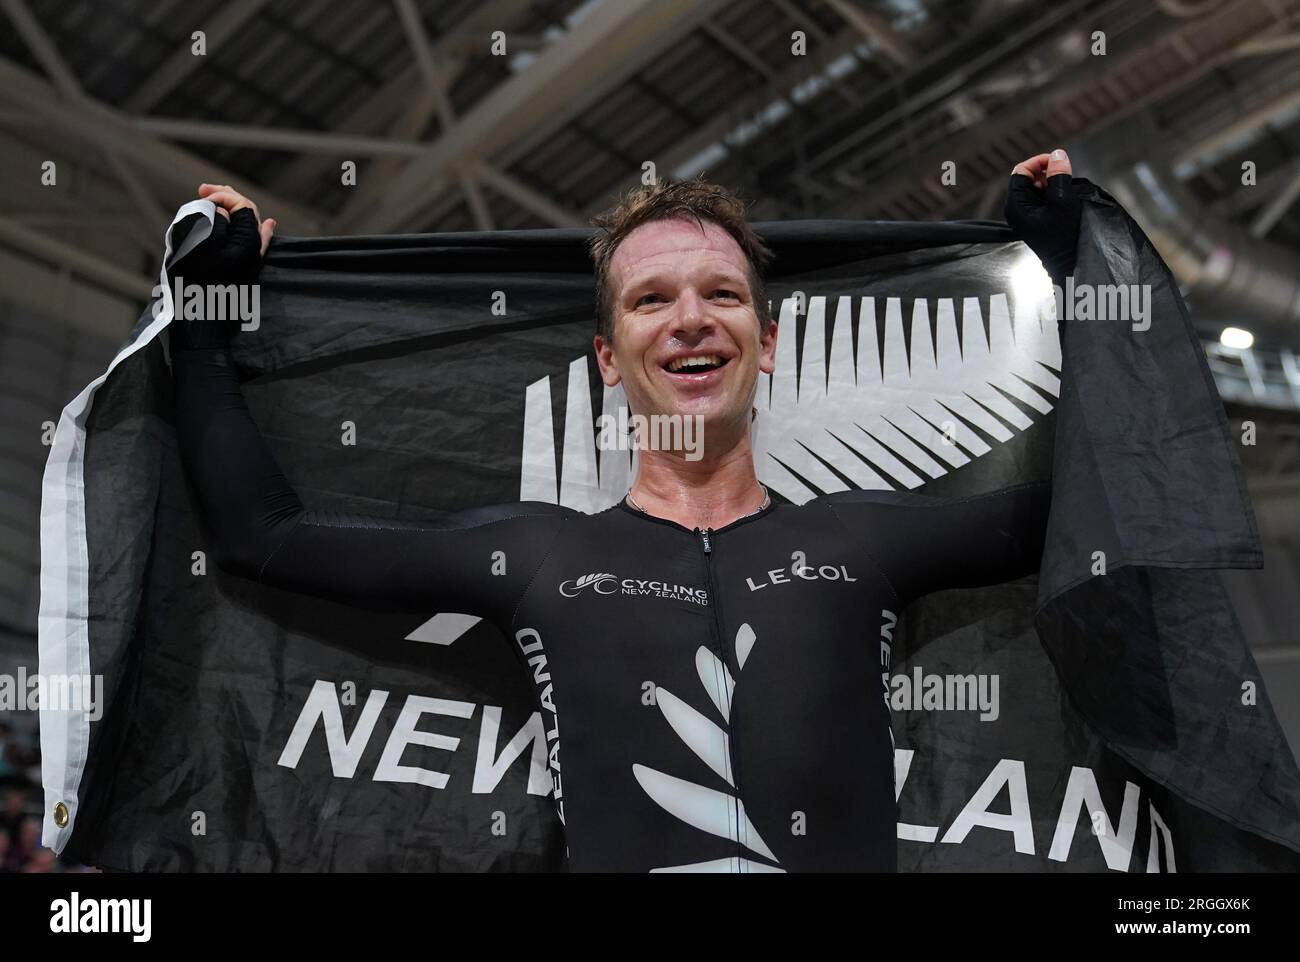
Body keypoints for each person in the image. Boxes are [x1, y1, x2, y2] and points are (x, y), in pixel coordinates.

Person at [169, 152, 1080, 872]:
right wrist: (205, 323)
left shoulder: (863, 538)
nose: (690, 319)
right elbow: (264, 537)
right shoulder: (535, 555)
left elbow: (1101, 495)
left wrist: (1082, 275)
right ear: (609, 358)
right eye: (653, 300)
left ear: (766, 345)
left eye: (721, 294)